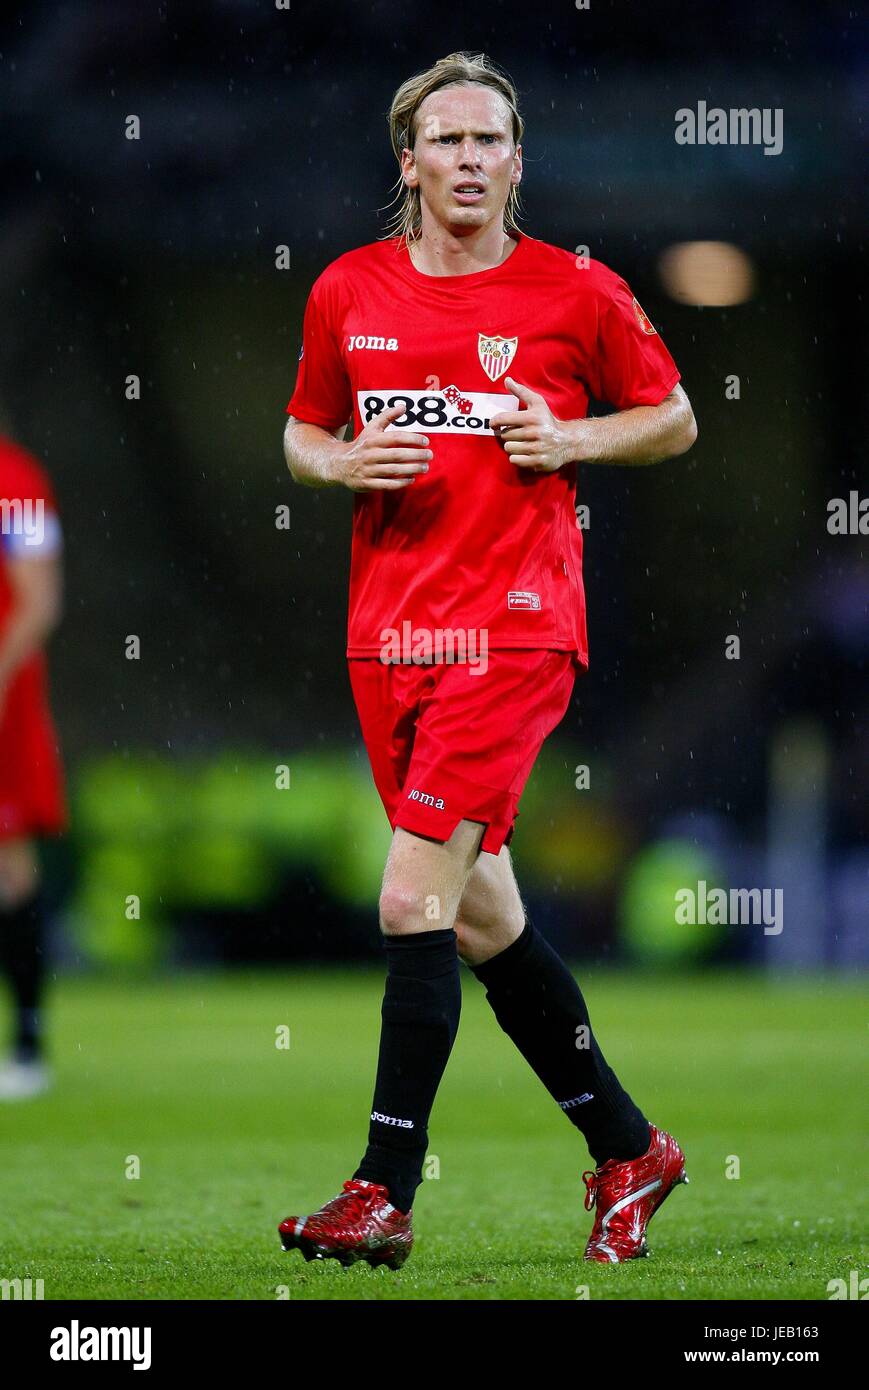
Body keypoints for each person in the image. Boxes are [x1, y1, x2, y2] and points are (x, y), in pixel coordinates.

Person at [279, 51, 697, 1267]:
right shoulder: (348, 291)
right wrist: (340, 464)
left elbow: (670, 417)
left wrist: (566, 436)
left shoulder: (575, 292)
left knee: (408, 896)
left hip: (513, 626)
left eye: (490, 141)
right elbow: (302, 432)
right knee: (473, 917)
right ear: (405, 162)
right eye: (446, 141)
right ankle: (628, 1149)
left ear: (517, 162)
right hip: (389, 633)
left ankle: (381, 1188)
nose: (469, 160)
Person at [0, 430, 65, 1100]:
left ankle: (27, 1042)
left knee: (10, 862)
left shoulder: (13, 482)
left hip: (5, 706)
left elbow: (37, 601)